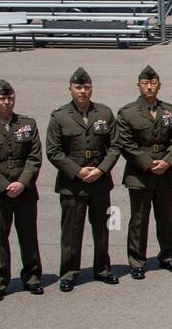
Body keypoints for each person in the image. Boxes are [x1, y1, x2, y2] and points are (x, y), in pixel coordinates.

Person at [46, 67, 120, 291]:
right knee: (71, 231)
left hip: (99, 183)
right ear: (70, 89)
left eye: (86, 87)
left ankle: (103, 269)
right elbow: (53, 151)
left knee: (101, 229)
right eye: (78, 87)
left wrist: (101, 170)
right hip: (73, 185)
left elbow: (115, 146)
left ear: (91, 89)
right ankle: (69, 272)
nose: (82, 91)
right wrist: (77, 171)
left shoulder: (104, 114)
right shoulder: (59, 116)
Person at [0, 79, 43, 301]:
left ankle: (32, 278)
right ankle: (0, 282)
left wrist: (22, 183)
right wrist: (4, 187)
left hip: (25, 192)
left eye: (10, 98)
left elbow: (34, 158)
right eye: (2, 99)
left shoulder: (27, 124)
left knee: (29, 237)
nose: (6, 102)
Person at [115, 65, 172, 279]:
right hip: (140, 174)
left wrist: (167, 161)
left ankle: (168, 256)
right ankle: (137, 261)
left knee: (166, 217)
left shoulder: (169, 110)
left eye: (153, 83)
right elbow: (125, 143)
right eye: (145, 84)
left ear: (159, 86)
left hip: (164, 172)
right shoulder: (127, 112)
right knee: (139, 219)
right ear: (138, 86)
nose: (149, 88)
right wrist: (148, 163)